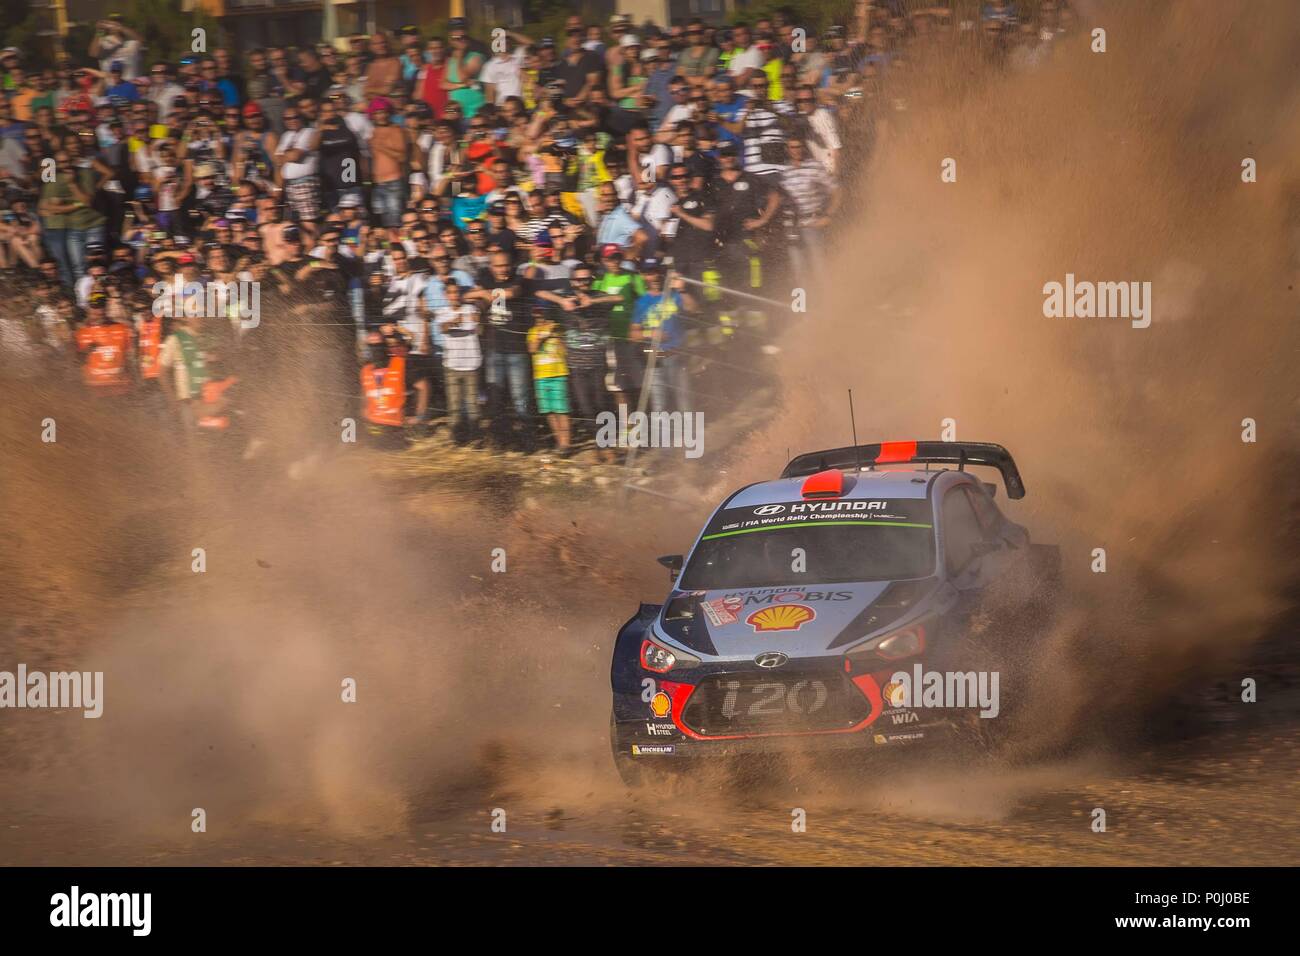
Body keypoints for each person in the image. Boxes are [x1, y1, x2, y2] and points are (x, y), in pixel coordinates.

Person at [435, 280, 482, 442]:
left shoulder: (471, 309)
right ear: (445, 295)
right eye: (451, 293)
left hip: (471, 364)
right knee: (454, 406)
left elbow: (480, 330)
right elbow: (443, 328)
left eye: (457, 292)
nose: (454, 296)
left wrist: (479, 320)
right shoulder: (442, 312)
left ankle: (476, 439)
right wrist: (455, 321)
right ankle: (457, 439)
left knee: (473, 406)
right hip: (452, 366)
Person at [526, 303, 570, 455]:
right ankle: (560, 442)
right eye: (536, 312)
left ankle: (566, 443)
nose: (539, 315)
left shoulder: (557, 327)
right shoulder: (532, 331)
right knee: (549, 411)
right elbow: (532, 349)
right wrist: (542, 335)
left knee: (561, 410)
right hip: (541, 377)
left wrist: (557, 336)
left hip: (558, 373)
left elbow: (565, 351)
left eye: (541, 312)